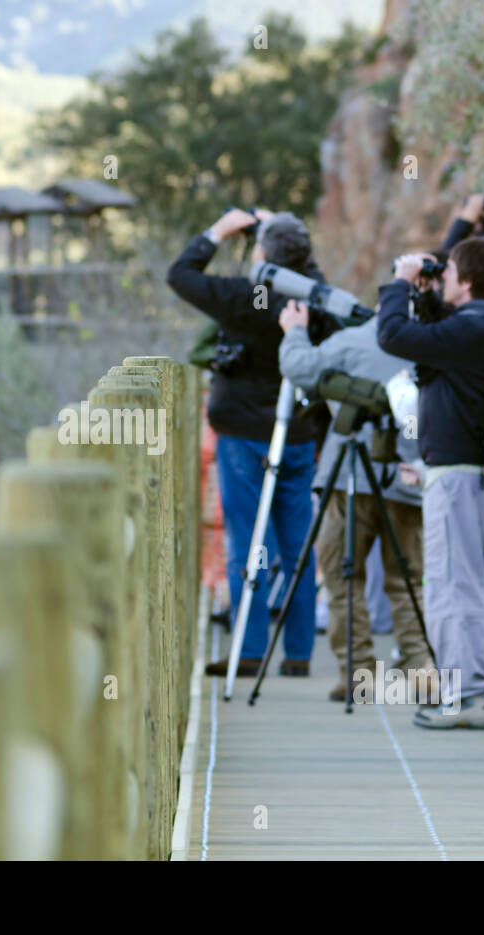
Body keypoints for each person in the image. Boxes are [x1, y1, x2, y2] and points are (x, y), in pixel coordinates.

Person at [378, 238, 484, 729]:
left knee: (451, 585)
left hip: (458, 474)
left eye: (448, 276)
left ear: (465, 283)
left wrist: (400, 282)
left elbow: (394, 337)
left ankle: (466, 696)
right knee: (477, 584)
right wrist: (424, 296)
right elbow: (432, 347)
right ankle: (482, 691)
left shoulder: (474, 329)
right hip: (478, 471)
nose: (441, 281)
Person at [167, 209, 319, 676]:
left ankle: (249, 651)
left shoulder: (243, 297)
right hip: (297, 429)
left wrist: (216, 231)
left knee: (247, 540)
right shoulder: (310, 299)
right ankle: (298, 655)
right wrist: (288, 239)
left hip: (241, 433)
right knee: (299, 543)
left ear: (259, 255)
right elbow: (316, 280)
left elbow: (181, 276)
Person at [278, 302, 435, 703]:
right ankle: (422, 672)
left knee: (344, 577)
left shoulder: (353, 340)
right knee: (407, 580)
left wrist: (295, 329)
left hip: (350, 477)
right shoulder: (432, 342)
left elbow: (298, 366)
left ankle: (357, 674)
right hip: (407, 473)